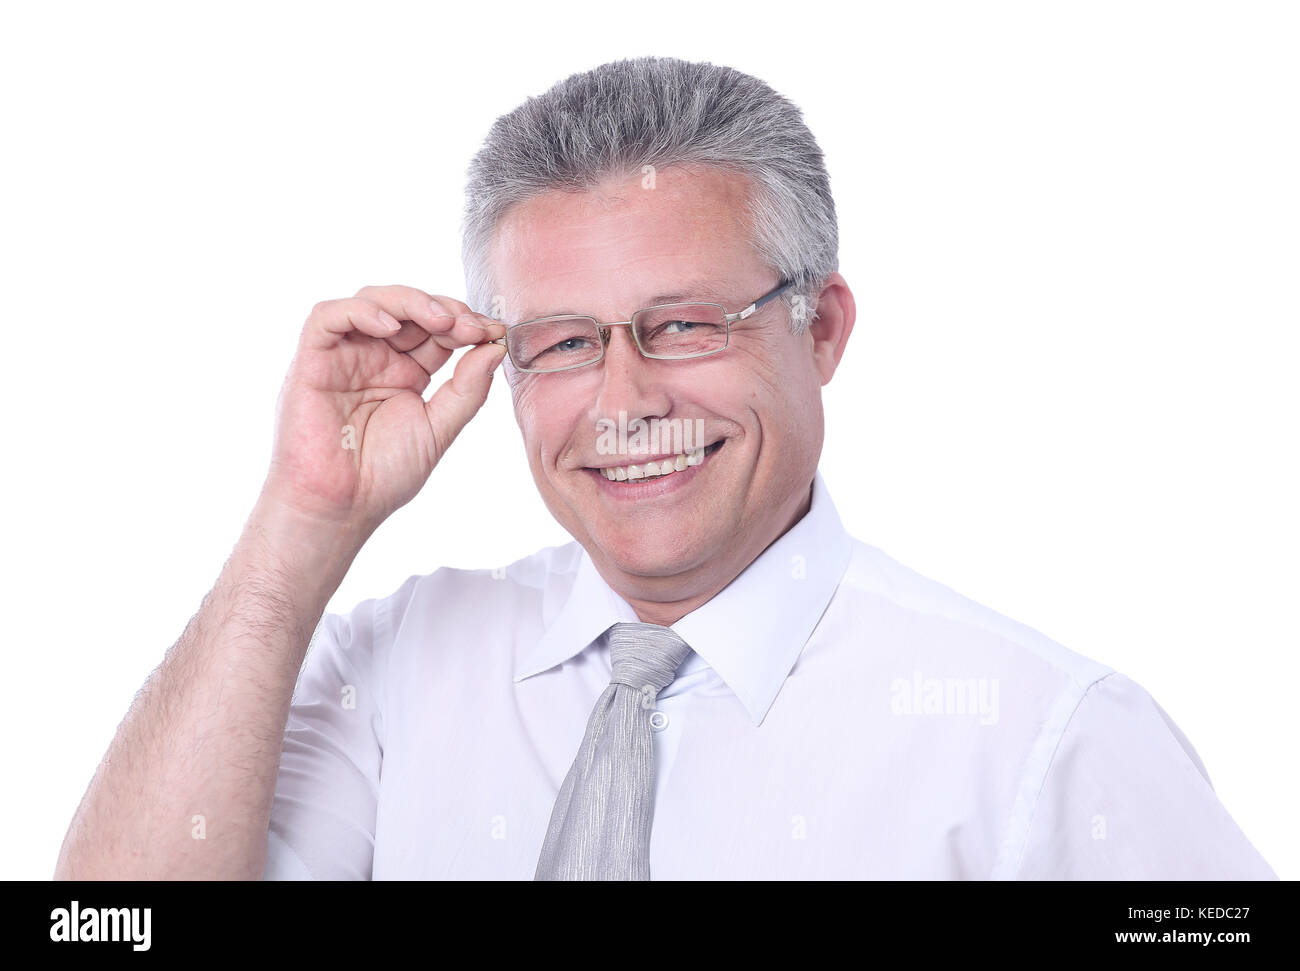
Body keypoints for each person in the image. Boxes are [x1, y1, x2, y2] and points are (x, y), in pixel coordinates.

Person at [55, 56, 1276, 881]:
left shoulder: (1045, 737)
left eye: (686, 323)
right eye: (566, 342)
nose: (626, 399)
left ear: (824, 327)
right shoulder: (399, 667)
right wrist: (298, 526)